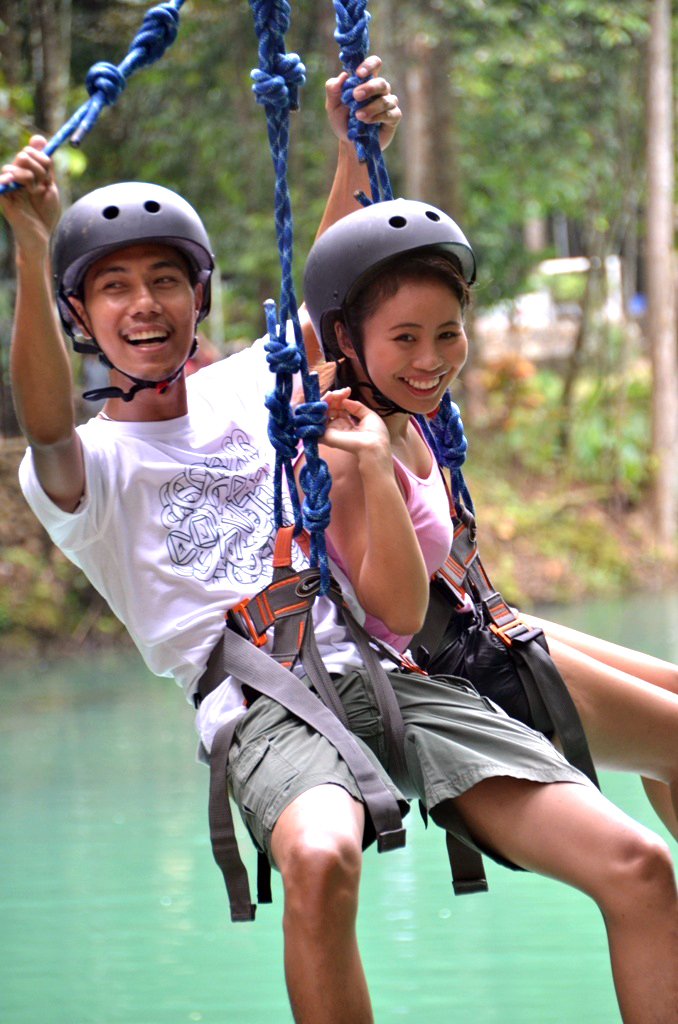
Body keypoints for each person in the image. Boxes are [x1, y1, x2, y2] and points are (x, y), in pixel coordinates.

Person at [3, 69, 677, 1024]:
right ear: (80, 318)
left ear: (199, 297)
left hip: (392, 667)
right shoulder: (88, 471)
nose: (143, 304)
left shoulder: (258, 383)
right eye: (114, 289)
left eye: (164, 282)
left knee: (638, 864)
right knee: (320, 859)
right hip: (263, 699)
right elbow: (43, 424)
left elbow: (336, 284)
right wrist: (33, 245)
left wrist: (351, 145)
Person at [300, 196, 678, 1023]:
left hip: (479, 627)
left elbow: (336, 265)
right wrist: (374, 472)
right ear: (345, 342)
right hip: (446, 669)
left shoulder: (400, 406)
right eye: (405, 339)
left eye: (448, 333)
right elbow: (397, 613)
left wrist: (355, 149)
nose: (431, 359)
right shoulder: (347, 443)